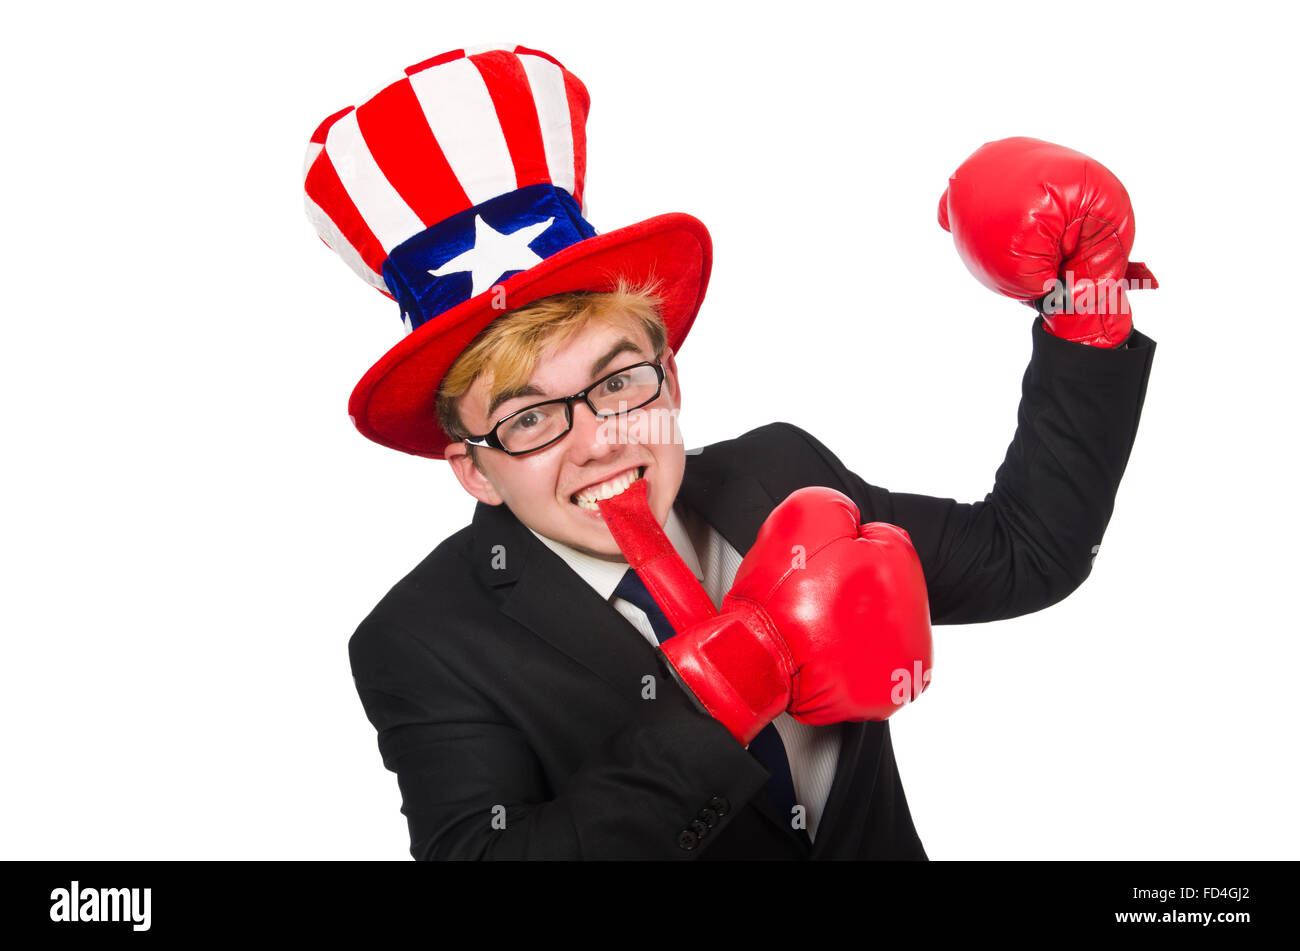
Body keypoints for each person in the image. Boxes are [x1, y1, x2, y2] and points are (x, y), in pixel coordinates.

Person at [304, 46, 1157, 860]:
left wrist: (1084, 302)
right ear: (473, 469)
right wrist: (722, 693)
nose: (603, 438)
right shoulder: (422, 638)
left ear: (670, 381)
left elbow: (1028, 555)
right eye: (529, 419)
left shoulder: (778, 476)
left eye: (619, 382)